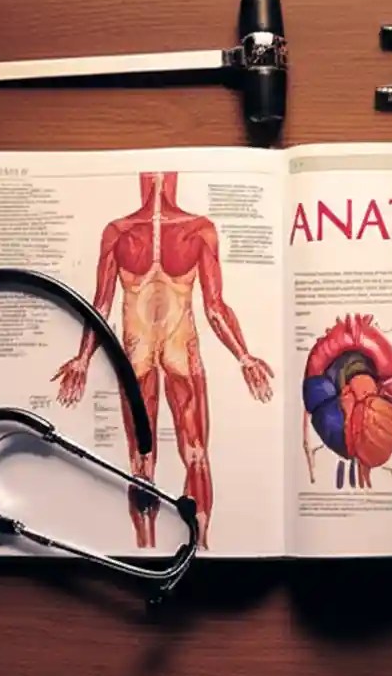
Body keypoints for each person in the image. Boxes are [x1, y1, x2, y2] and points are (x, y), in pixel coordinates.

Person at [51, 171, 273, 550]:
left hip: (136, 351)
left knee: (142, 461)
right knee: (197, 454)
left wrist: (84, 358)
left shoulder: (119, 232)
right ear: (172, 179)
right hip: (180, 349)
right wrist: (243, 355)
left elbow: (101, 305)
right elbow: (215, 308)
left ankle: (148, 552)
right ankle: (198, 550)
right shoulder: (197, 230)